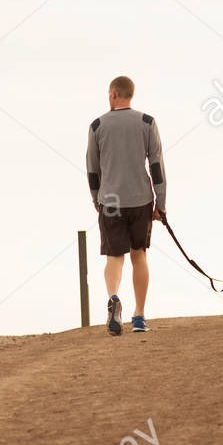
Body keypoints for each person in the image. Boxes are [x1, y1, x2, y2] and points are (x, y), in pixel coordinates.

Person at [85, 75, 166, 336]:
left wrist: (96, 197)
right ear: (130, 94)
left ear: (113, 95)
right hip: (141, 199)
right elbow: (156, 166)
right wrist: (161, 204)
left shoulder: (97, 125)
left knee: (114, 256)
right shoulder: (147, 122)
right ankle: (139, 316)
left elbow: (92, 169)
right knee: (139, 254)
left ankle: (114, 297)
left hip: (110, 200)